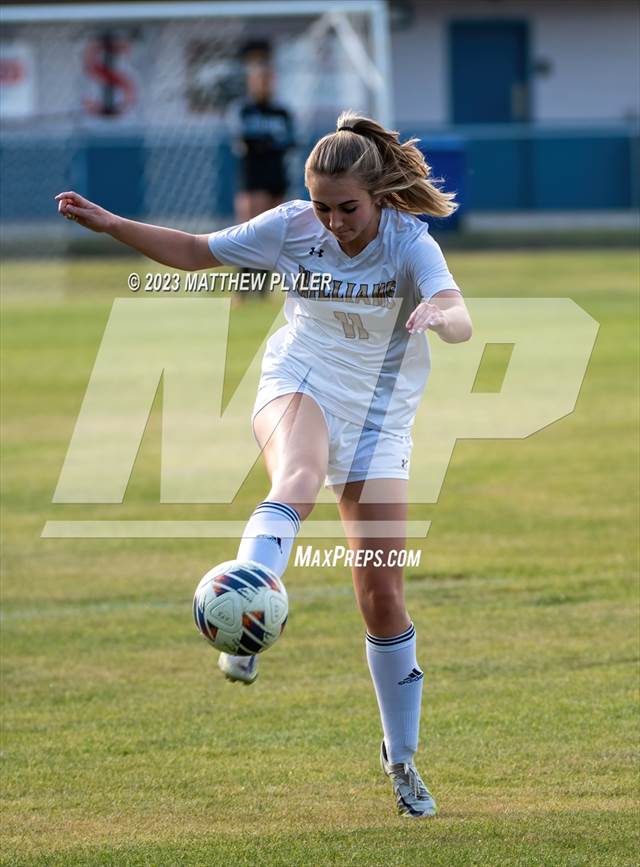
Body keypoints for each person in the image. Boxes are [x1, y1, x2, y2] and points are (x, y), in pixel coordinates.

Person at [55, 110, 473, 819]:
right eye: (322, 206)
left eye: (348, 208)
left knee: (382, 597)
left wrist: (438, 313)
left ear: (377, 197)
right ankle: (248, 600)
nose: (334, 222)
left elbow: (457, 311)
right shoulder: (291, 226)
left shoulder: (410, 240)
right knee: (299, 479)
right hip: (298, 379)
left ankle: (401, 760)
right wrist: (113, 224)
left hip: (378, 416)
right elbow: (193, 251)